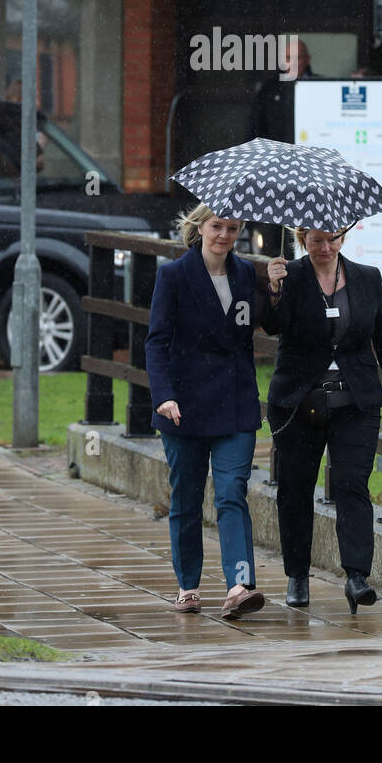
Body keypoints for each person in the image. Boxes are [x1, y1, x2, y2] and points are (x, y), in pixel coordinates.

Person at [263, 227, 382, 613]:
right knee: (295, 488)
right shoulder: (289, 276)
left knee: (352, 484)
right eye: (316, 240)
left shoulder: (367, 277)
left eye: (332, 238)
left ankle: (357, 576)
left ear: (343, 238)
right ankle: (297, 576)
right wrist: (274, 290)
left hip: (355, 400)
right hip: (299, 401)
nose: (325, 247)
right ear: (302, 240)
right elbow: (271, 326)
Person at [146, 204, 265, 619]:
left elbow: (266, 323)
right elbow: (156, 342)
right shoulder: (173, 276)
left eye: (233, 228)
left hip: (235, 403)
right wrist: (163, 395)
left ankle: (239, 584)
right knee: (187, 497)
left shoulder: (247, 273)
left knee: (233, 492)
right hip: (185, 407)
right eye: (217, 226)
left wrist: (279, 288)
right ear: (199, 227)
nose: (224, 235)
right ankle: (188, 585)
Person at [249, 37, 316, 144]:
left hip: (311, 149)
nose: (293, 63)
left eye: (298, 58)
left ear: (308, 59)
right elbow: (255, 126)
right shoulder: (269, 89)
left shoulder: (319, 86)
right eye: (289, 58)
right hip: (277, 153)